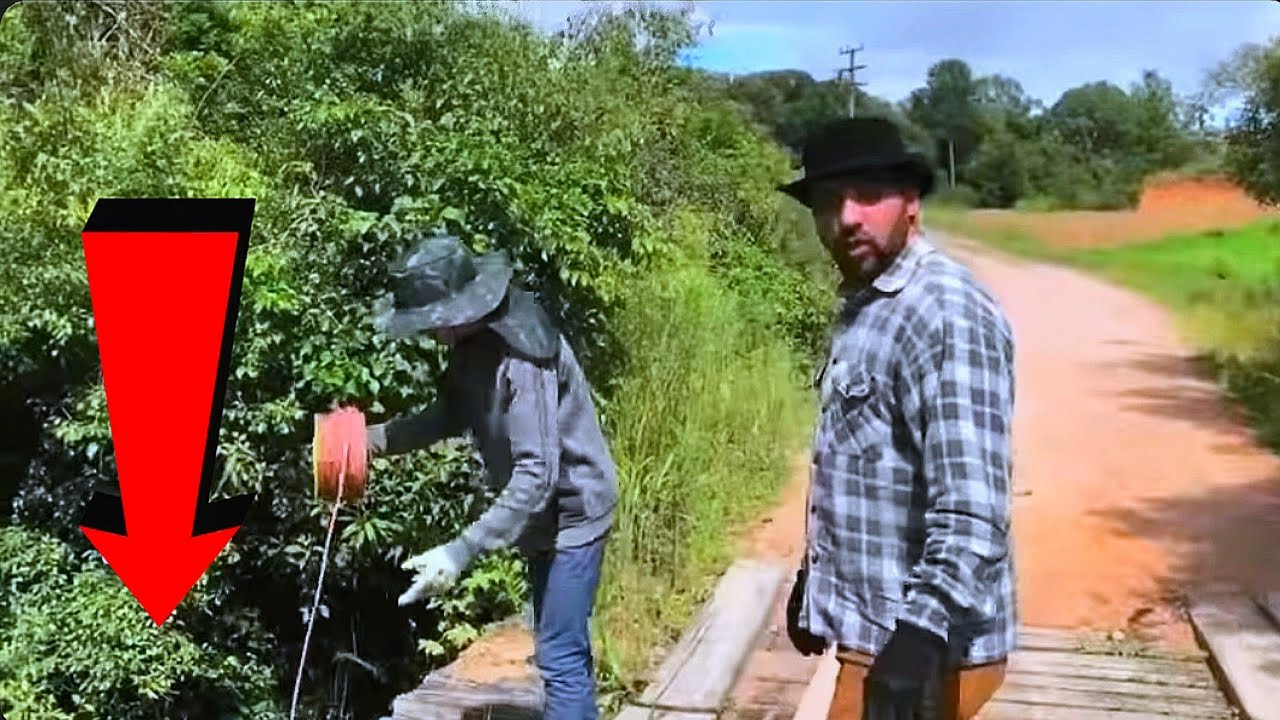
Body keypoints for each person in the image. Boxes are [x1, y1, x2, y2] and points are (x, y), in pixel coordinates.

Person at [777, 117, 1017, 720]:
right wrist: (817, 583)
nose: (848, 217)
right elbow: (867, 463)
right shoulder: (871, 305)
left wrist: (918, 640)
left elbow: (974, 508)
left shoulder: (945, 313)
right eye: (830, 202)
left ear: (910, 202)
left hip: (919, 643)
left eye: (867, 195)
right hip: (871, 630)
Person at [364, 234, 619, 720]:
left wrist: (459, 551)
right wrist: (370, 441)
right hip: (541, 520)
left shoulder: (523, 357)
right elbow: (450, 413)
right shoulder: (470, 343)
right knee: (558, 639)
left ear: (460, 305)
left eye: (435, 320)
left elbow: (537, 475)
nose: (432, 332)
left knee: (559, 654)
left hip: (574, 512)